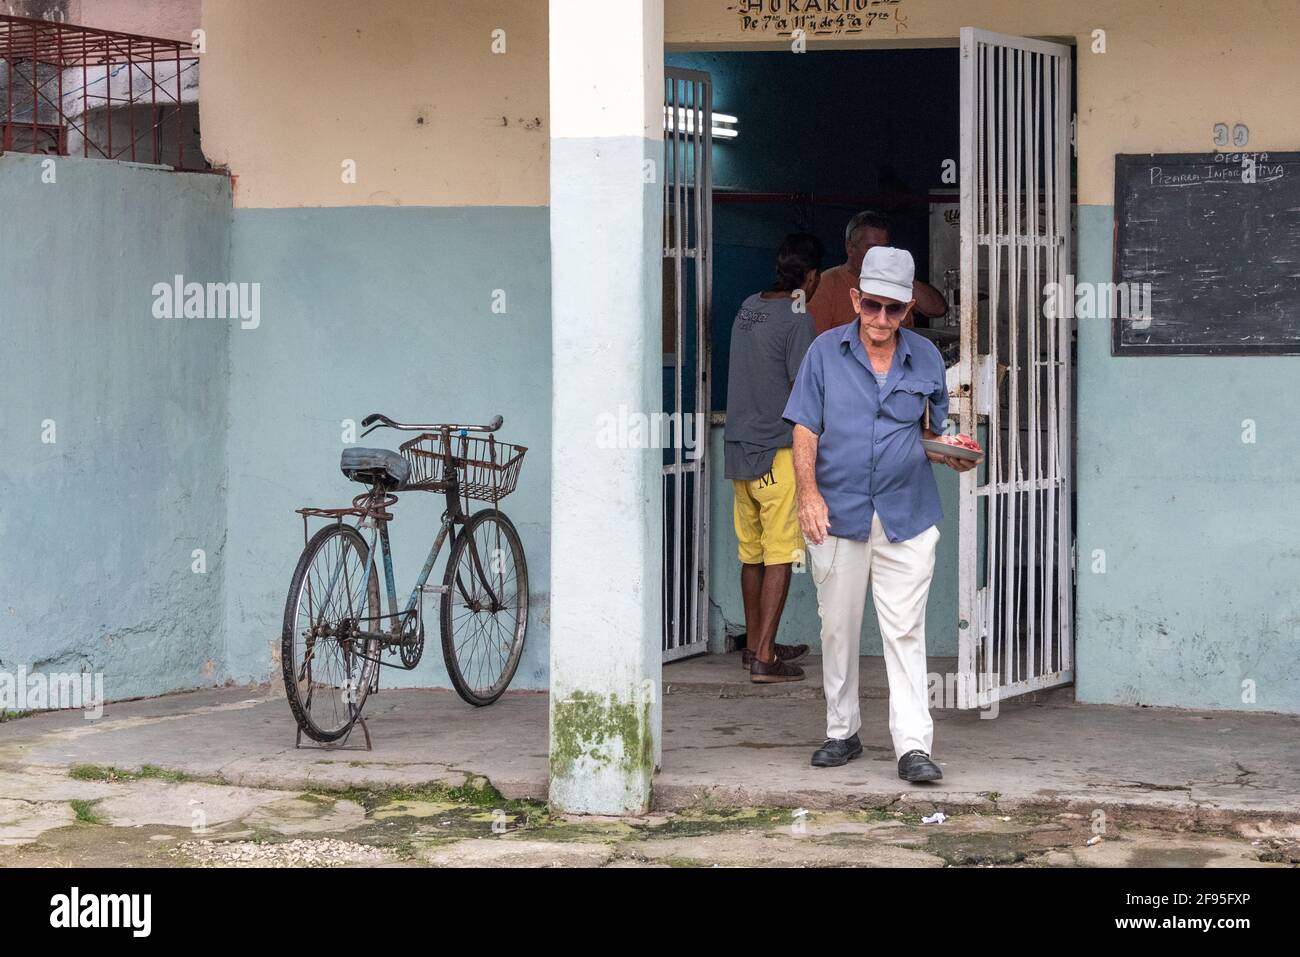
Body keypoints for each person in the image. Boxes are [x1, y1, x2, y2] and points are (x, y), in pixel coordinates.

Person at [782, 246, 977, 781]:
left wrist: (952, 454)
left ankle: (913, 746)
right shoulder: (823, 353)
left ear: (909, 307)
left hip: (906, 514)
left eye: (894, 309)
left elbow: (930, 434)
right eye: (872, 306)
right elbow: (804, 428)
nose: (881, 320)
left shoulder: (927, 359)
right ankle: (841, 732)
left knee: (905, 631)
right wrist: (807, 495)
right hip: (837, 512)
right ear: (855, 299)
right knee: (837, 629)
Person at [724, 233, 822, 684]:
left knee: (752, 555)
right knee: (781, 554)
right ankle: (765, 655)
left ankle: (754, 646)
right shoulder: (798, 317)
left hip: (739, 451)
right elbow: (804, 387)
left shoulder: (747, 306)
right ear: (810, 276)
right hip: (777, 453)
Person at [807, 210, 948, 337]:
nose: (880, 254)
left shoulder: (896, 280)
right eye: (872, 248)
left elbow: (938, 309)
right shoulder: (827, 284)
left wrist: (903, 277)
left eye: (884, 248)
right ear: (850, 248)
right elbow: (815, 344)